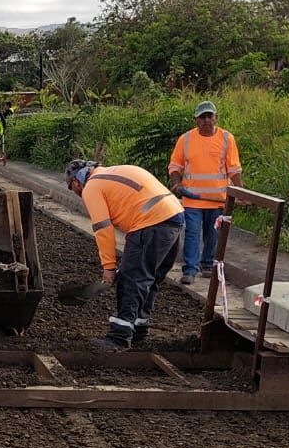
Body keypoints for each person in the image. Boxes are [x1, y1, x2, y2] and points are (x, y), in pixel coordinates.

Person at [64, 159, 185, 350]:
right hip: (174, 218)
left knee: (131, 280)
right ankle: (139, 328)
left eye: (73, 188)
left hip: (150, 223)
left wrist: (109, 267)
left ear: (77, 182)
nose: (77, 193)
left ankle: (119, 337)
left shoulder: (92, 187)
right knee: (149, 279)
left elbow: (103, 229)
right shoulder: (116, 171)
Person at [168, 101, 242, 283]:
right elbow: (175, 166)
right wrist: (177, 182)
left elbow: (233, 168)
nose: (207, 120)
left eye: (210, 116)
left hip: (217, 199)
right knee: (192, 233)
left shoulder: (226, 139)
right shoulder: (185, 140)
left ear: (216, 118)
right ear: (196, 120)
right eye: (202, 117)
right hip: (192, 199)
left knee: (213, 234)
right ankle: (190, 270)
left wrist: (240, 191)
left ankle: (207, 264)